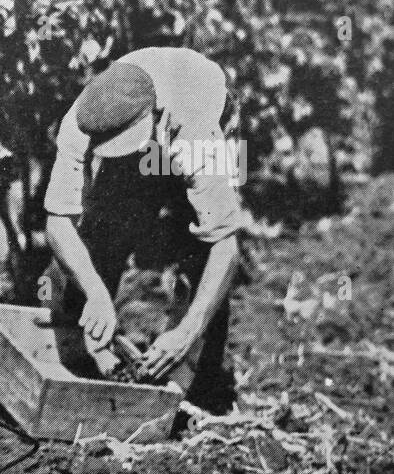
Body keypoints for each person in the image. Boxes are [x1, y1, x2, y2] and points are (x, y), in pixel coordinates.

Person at [42, 46, 243, 408]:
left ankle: (199, 386)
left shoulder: (195, 130)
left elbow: (226, 247)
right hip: (150, 125)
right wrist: (96, 292)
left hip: (205, 110)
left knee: (201, 248)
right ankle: (93, 354)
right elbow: (57, 223)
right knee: (103, 228)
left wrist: (187, 331)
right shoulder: (81, 123)